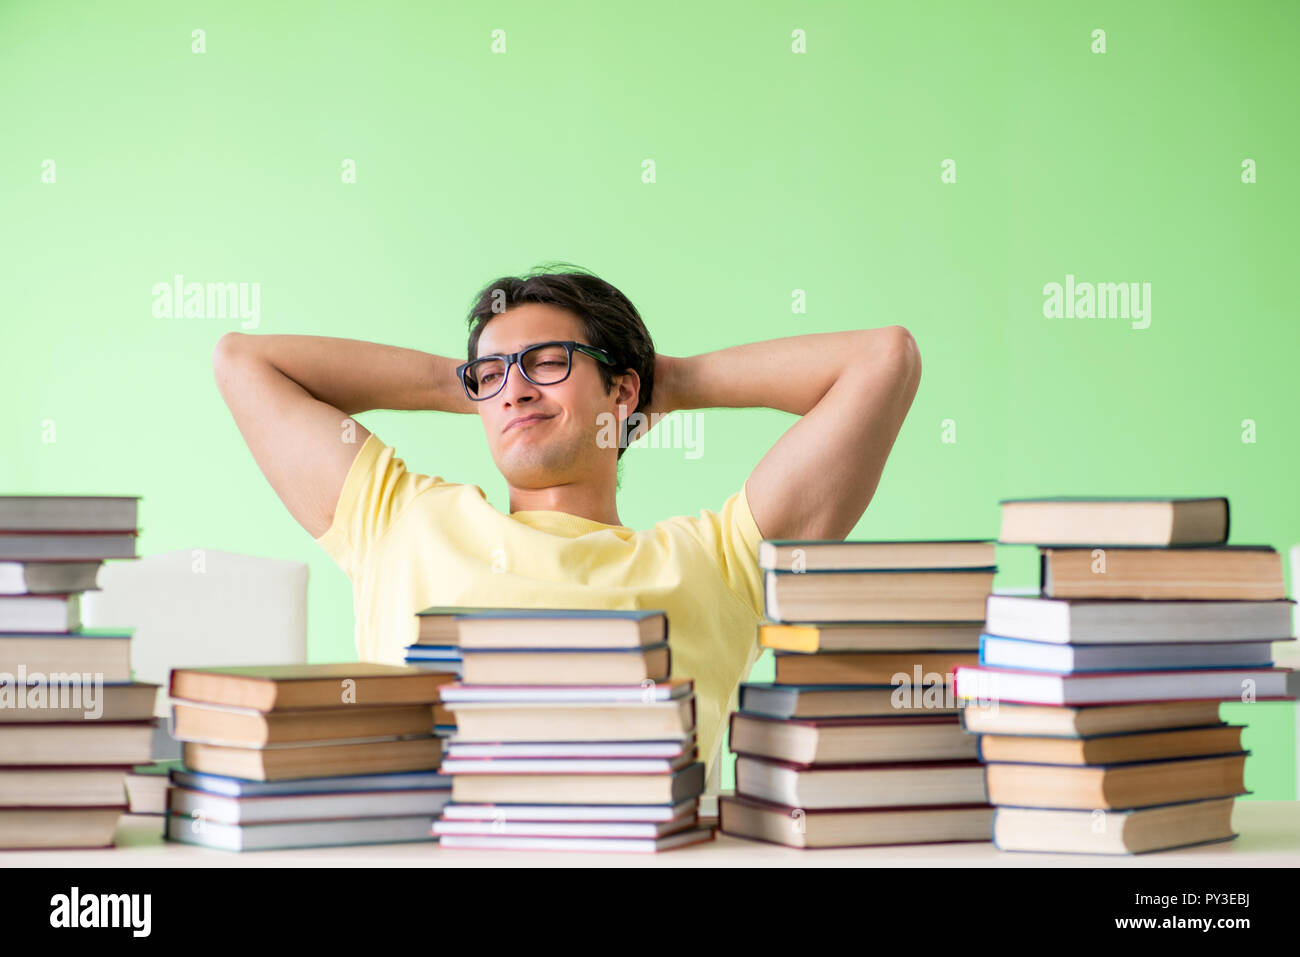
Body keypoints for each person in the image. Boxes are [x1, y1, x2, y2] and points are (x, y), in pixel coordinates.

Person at [211, 263, 922, 793]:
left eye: (548, 362)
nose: (516, 387)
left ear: (621, 388)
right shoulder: (399, 519)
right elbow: (245, 362)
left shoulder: (718, 561)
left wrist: (664, 380)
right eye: (490, 374)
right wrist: (465, 383)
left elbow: (883, 358)